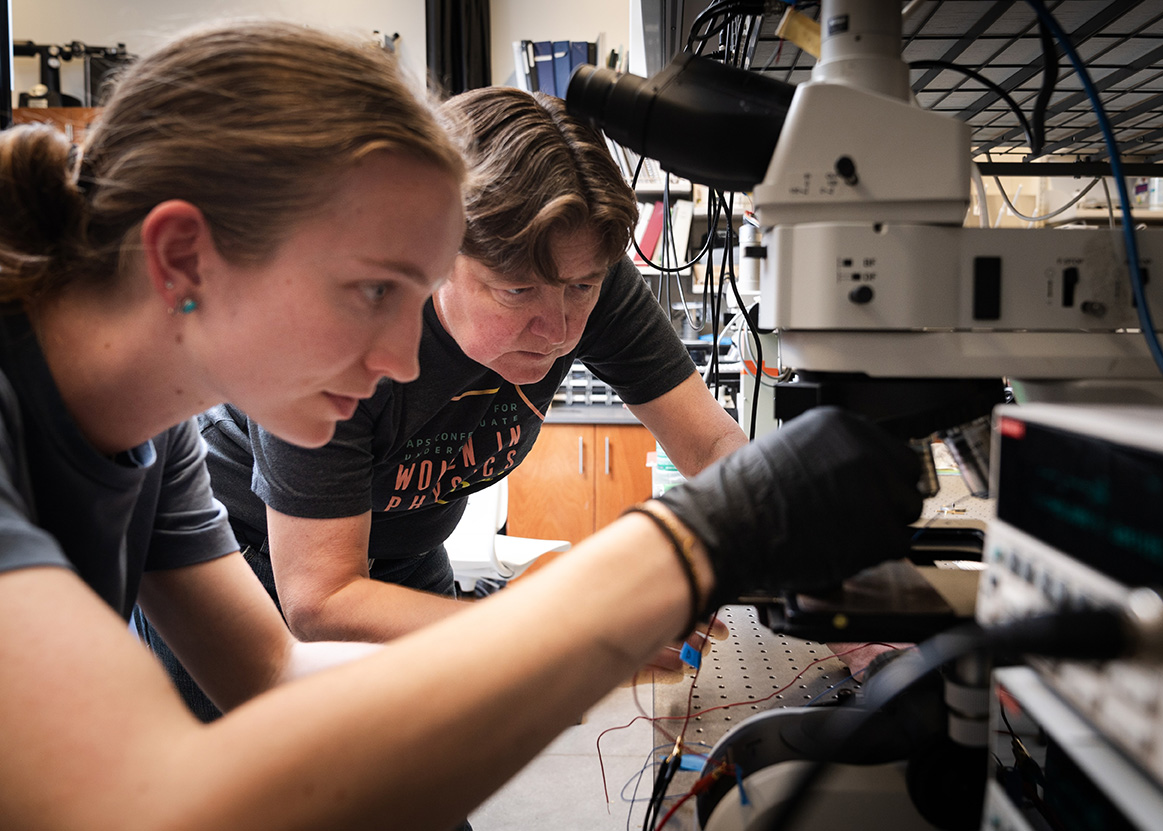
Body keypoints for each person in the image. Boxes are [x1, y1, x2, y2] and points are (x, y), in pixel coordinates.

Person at [0, 18, 924, 830]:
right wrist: (671, 553)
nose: (407, 361)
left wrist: (565, 643)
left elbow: (278, 672)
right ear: (181, 256)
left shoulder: (158, 441)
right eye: (374, 290)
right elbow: (150, 800)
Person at [140, 86, 750, 720]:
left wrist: (713, 555)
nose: (561, 331)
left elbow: (712, 445)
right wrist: (557, 625)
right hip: (247, 558)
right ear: (434, 251)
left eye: (582, 288)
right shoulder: (339, 330)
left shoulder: (574, 264)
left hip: (406, 551)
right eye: (517, 292)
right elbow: (321, 598)